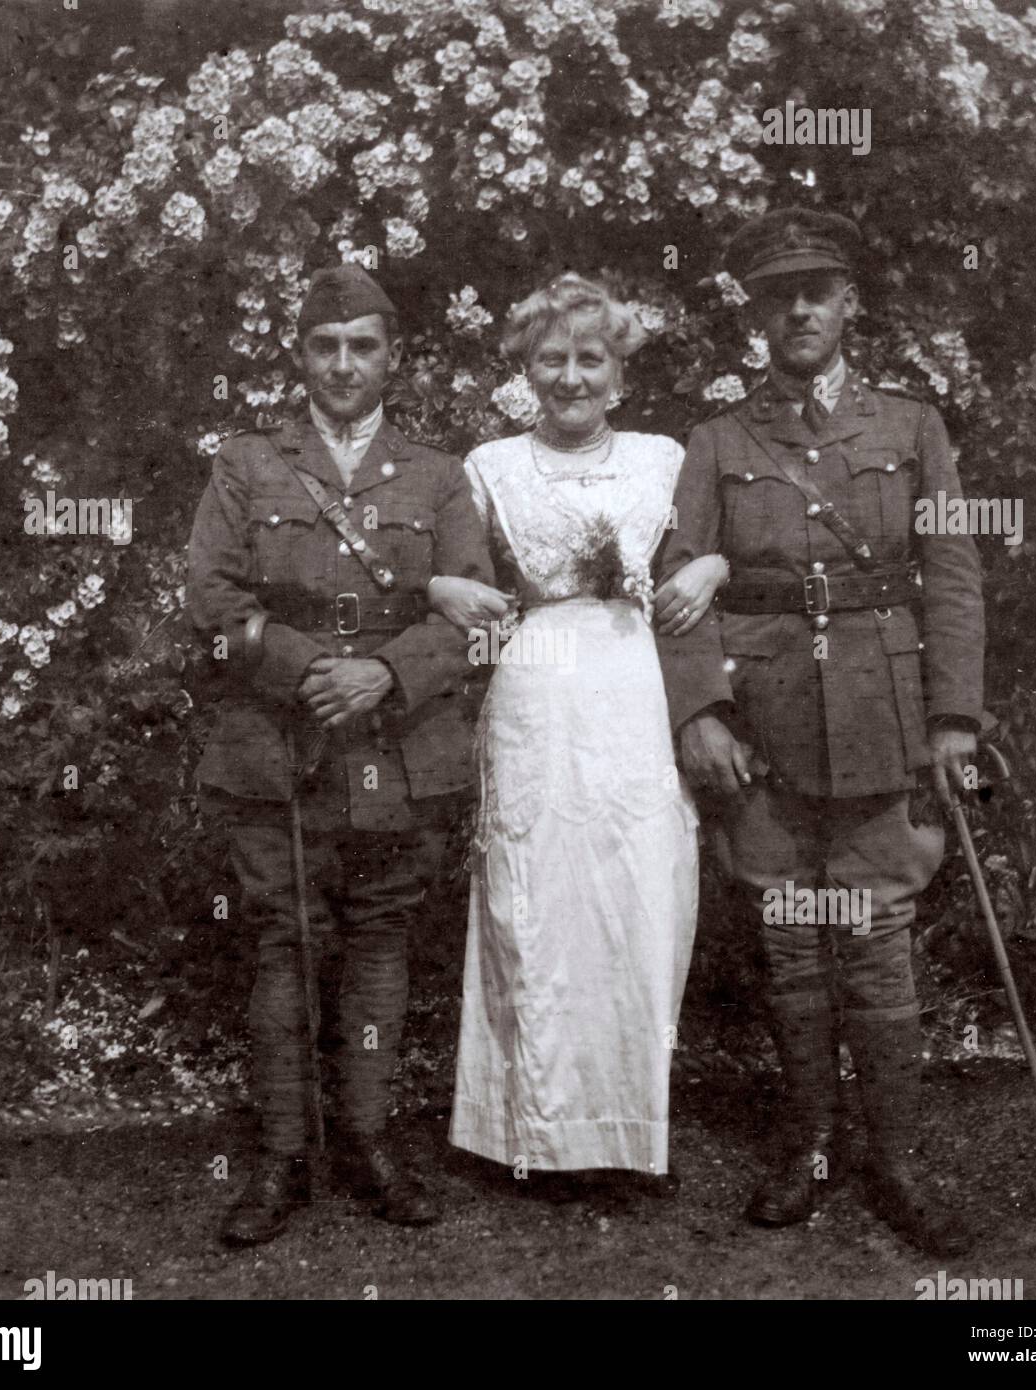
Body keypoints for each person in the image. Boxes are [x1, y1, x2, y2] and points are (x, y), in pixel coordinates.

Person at [656, 209, 985, 1256]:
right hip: (766, 727)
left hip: (884, 716)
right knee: (793, 941)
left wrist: (953, 719)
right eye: (777, 294)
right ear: (756, 315)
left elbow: (954, 579)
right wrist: (700, 709)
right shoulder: (716, 441)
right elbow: (680, 594)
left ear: (849, 305)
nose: (798, 308)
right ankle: (804, 1144)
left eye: (817, 290)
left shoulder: (912, 427)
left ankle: (901, 1158)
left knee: (879, 940)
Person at [187, 264, 494, 1245]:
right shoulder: (246, 464)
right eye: (326, 346)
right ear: (300, 355)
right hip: (277, 745)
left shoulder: (440, 476)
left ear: (392, 357)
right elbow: (214, 602)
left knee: (380, 937)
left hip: (399, 746)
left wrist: (388, 675)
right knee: (284, 936)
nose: (344, 364)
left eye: (363, 345)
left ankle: (366, 1138)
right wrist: (309, 667)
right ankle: (282, 1152)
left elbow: (475, 615)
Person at [428, 274, 723, 1193]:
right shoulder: (487, 466)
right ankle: (534, 1135)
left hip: (636, 686)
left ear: (618, 373)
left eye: (588, 358)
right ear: (524, 368)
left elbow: (724, 547)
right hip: (536, 687)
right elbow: (451, 579)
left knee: (639, 893)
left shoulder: (664, 458)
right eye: (549, 358)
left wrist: (710, 562)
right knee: (536, 897)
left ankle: (628, 1134)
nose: (569, 376)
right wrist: (441, 589)